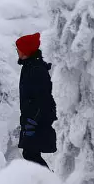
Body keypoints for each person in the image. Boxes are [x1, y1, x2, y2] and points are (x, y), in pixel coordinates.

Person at [16, 32, 57, 168]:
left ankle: (48, 180)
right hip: (32, 119)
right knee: (30, 154)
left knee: (30, 154)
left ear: (26, 51)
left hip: (36, 121)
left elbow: (42, 99)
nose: (17, 51)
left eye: (19, 48)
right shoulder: (29, 66)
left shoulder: (36, 69)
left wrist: (32, 121)